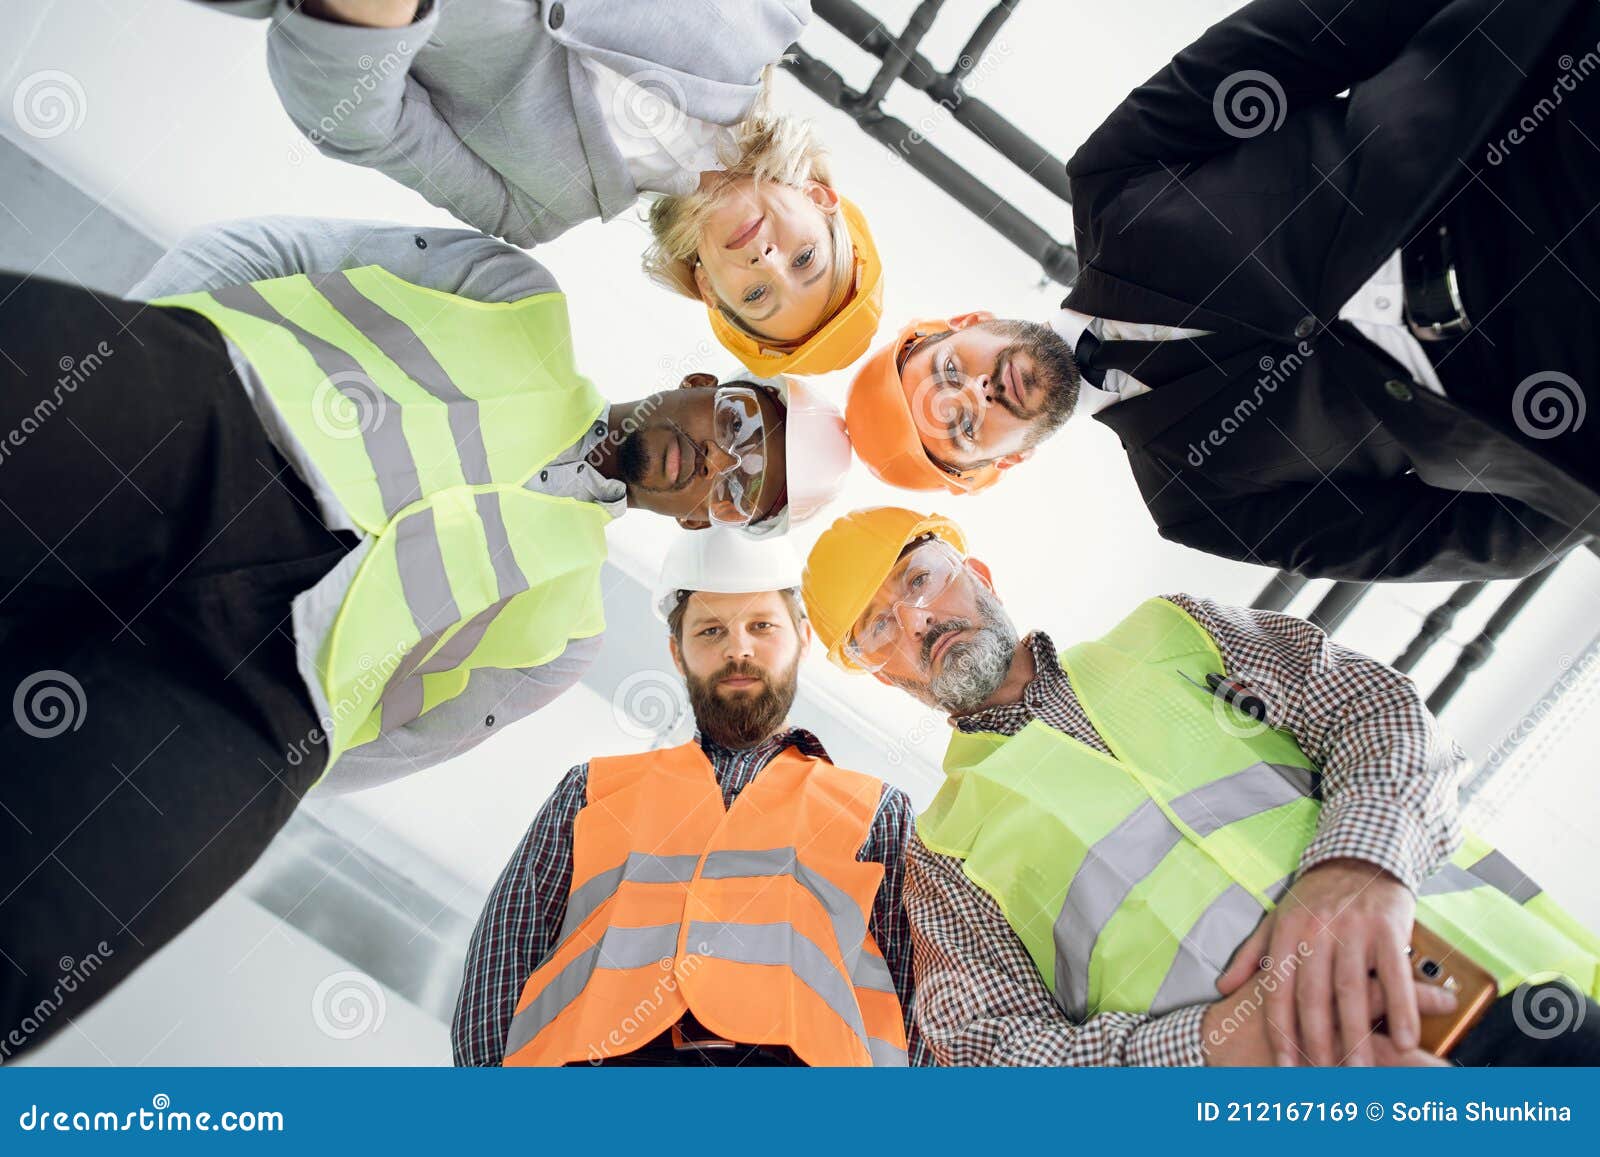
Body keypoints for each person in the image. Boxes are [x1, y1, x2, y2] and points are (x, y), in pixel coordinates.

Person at [0, 215, 850, 1056]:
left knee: (45, 926)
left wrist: (284, 751)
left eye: (741, 488)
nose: (716, 460)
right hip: (221, 424)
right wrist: (149, 356)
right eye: (736, 426)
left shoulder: (568, 637)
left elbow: (397, 745)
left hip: (263, 693)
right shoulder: (518, 297)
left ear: (706, 518)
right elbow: (284, 251)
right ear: (705, 381)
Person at [799, 507, 1600, 1065]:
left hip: (1501, 989)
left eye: (918, 579)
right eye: (876, 629)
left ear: (975, 571)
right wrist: (1217, 1045)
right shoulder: (940, 858)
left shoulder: (1171, 632)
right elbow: (997, 1059)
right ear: (885, 677)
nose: (915, 622)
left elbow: (1375, 712)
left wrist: (1356, 869)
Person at [847, 0, 1600, 582]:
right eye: (963, 429)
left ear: (965, 322)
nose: (977, 392)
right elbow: (1435, 542)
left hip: (1530, 138)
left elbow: (1310, 33)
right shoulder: (1195, 504)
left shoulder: (1111, 180)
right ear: (1000, 466)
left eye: (948, 370)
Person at [194, 0, 884, 376]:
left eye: (758, 296)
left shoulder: (532, 208)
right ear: (821, 199)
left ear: (712, 289)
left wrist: (374, 14)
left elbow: (358, 126)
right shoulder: (768, 12)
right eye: (805, 262)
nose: (768, 264)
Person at [452, 530, 925, 1066]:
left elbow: (923, 997)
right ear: (678, 654)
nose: (738, 647)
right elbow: (505, 946)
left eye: (761, 626)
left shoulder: (877, 813)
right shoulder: (591, 790)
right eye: (710, 630)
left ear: (803, 638)